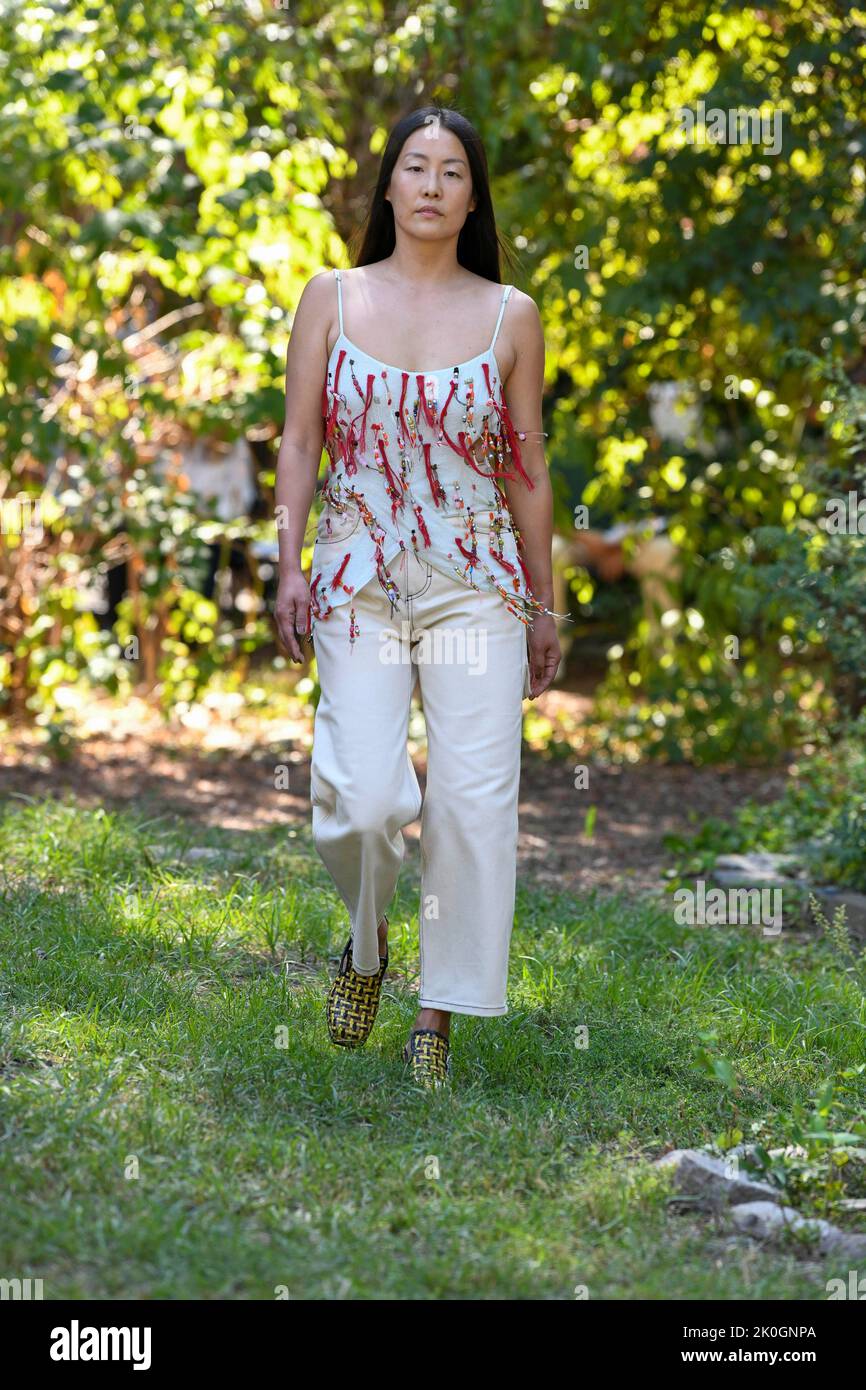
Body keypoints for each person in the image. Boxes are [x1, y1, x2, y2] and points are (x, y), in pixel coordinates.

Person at [274, 105, 569, 1087]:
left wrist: (544, 602)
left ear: (472, 195)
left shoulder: (508, 315)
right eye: (416, 166)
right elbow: (300, 443)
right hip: (356, 581)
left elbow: (525, 467)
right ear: (389, 188)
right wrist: (288, 561)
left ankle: (434, 1020)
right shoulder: (331, 296)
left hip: (475, 588)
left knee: (469, 805)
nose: (433, 185)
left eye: (452, 171)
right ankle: (365, 949)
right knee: (360, 801)